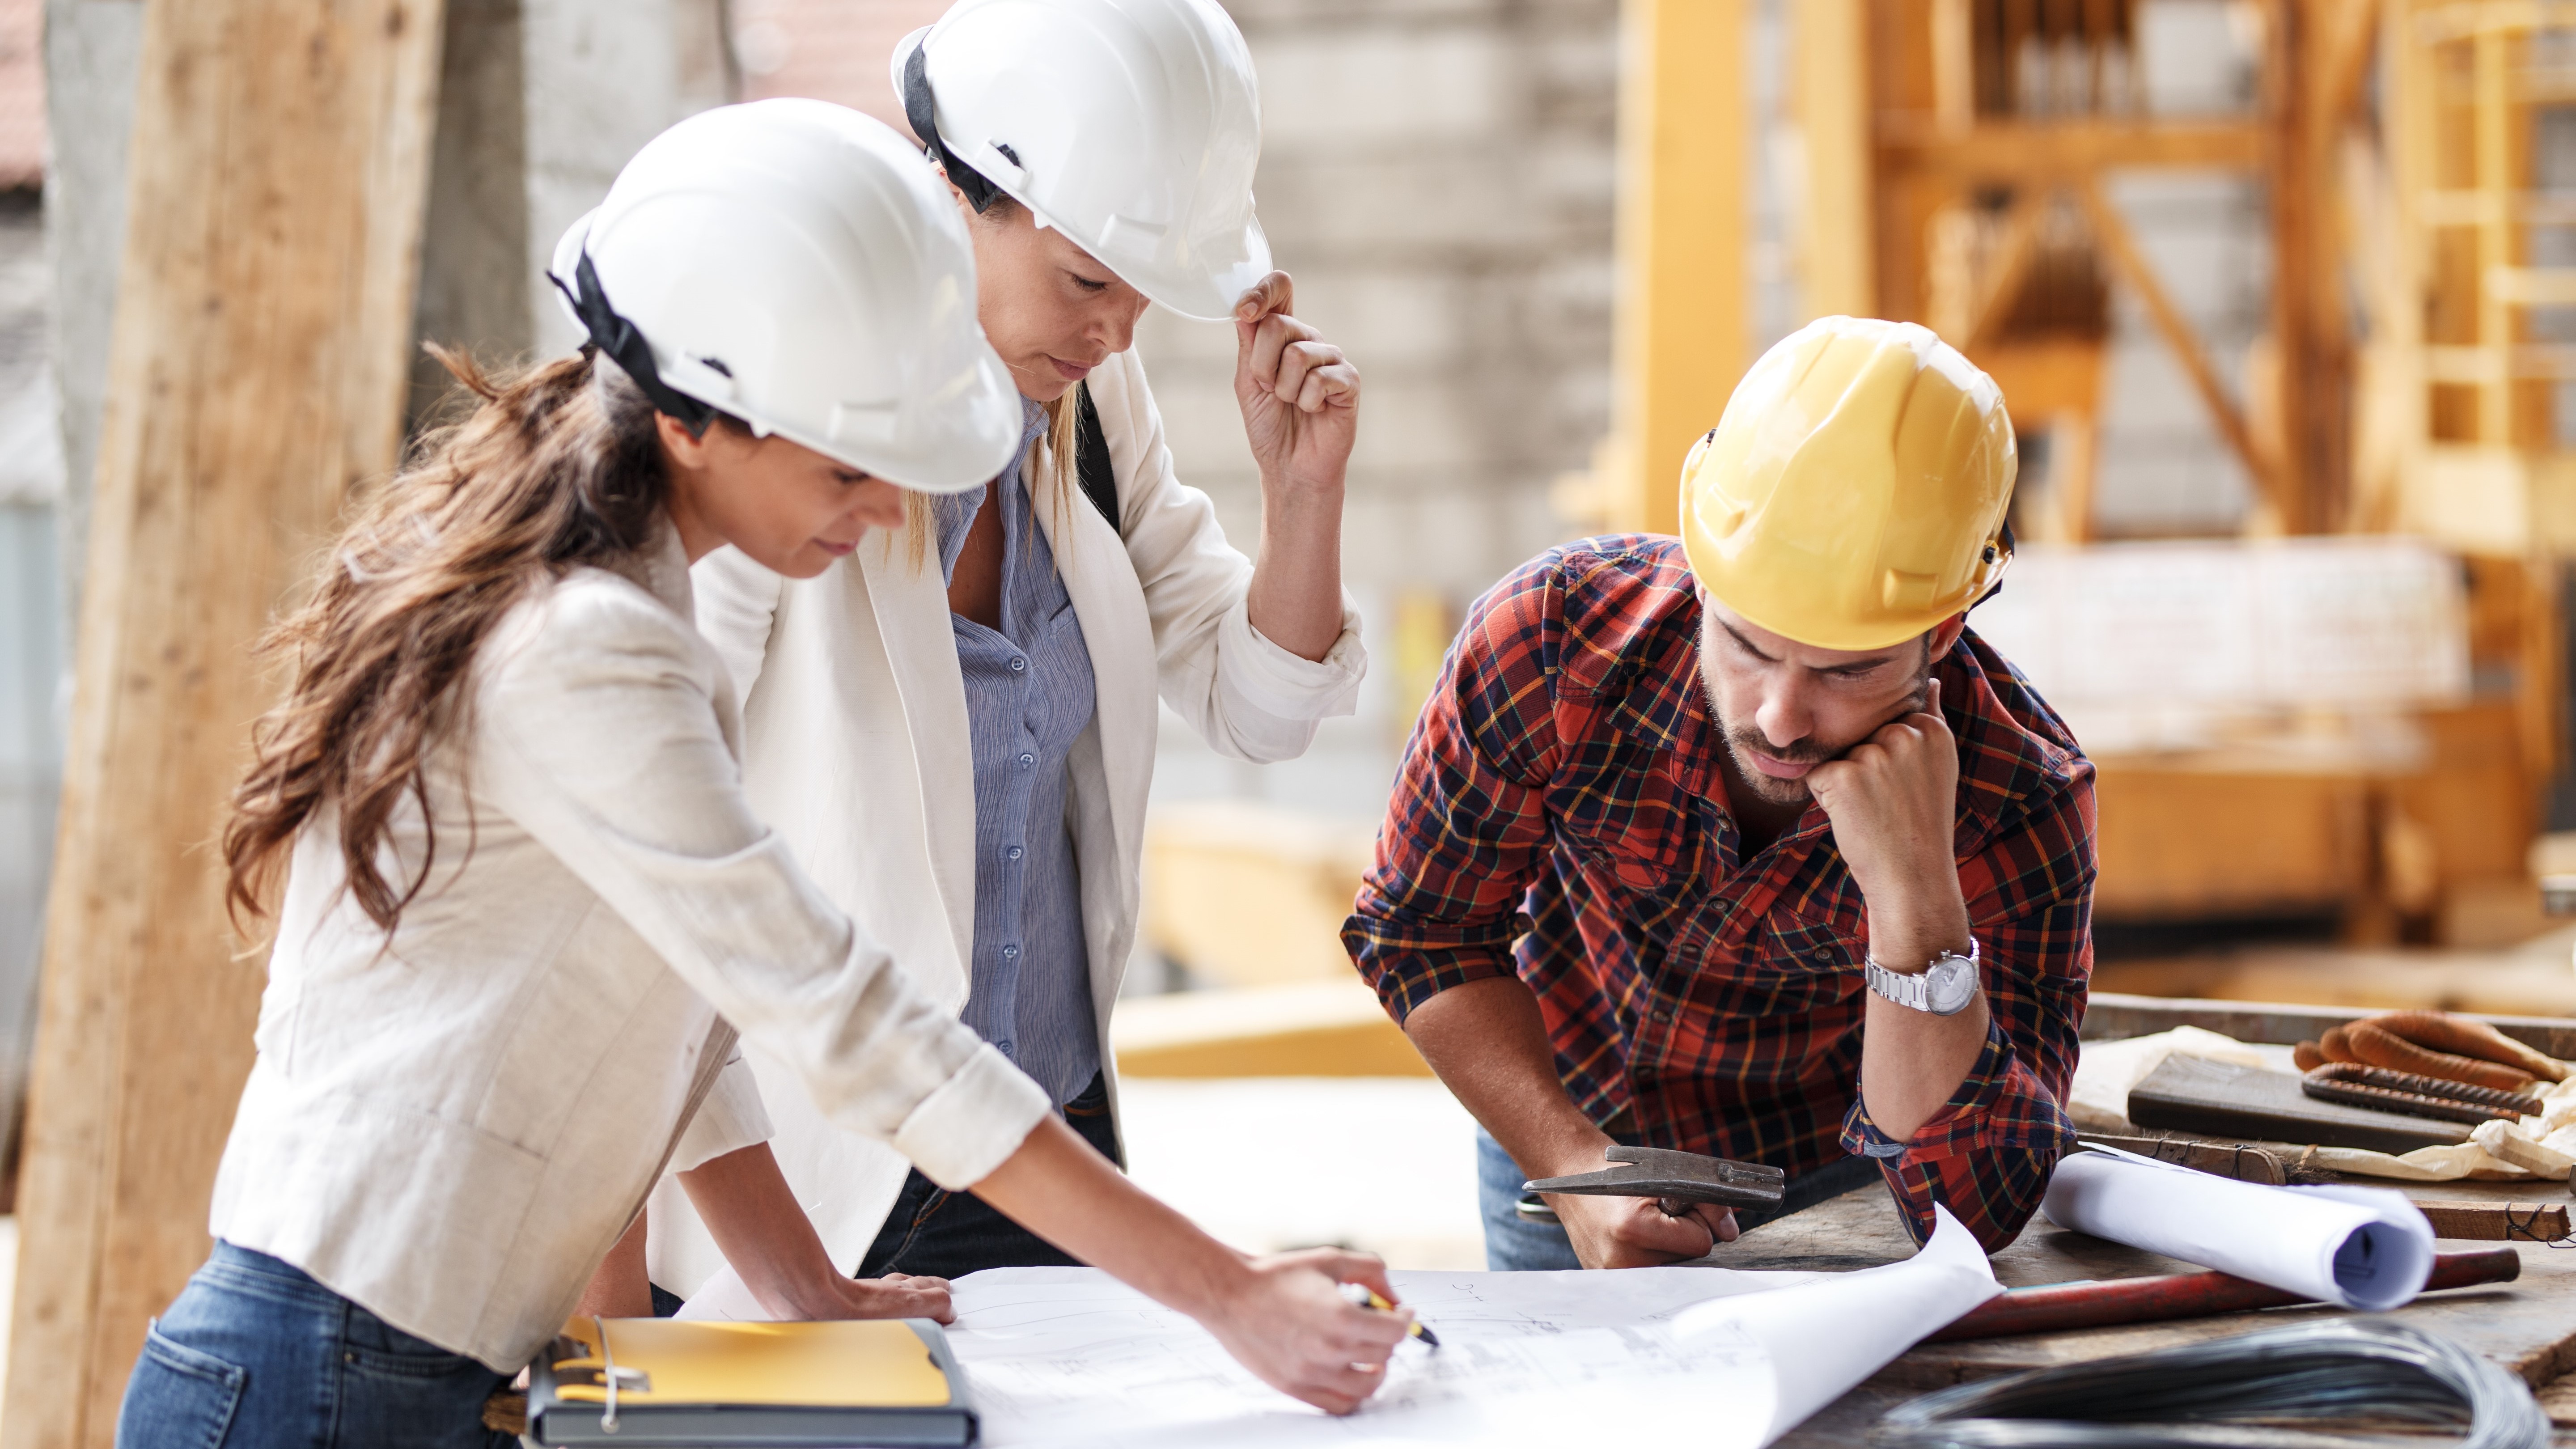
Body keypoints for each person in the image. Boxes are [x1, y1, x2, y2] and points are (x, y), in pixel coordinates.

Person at [114, 101, 1406, 1449]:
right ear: (694, 424)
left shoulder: (634, 605)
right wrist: (1231, 1294)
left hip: (388, 1357)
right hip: (319, 1377)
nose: (879, 514)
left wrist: (803, 1289)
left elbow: (697, 990)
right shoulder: (589, 650)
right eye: (851, 468)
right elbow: (833, 1008)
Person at [636, 0, 1368, 1304]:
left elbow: (1259, 709)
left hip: (1049, 1151)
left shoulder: (1085, 401)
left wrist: (1301, 497)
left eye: (1142, 300)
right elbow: (655, 899)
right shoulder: (778, 436)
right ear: (949, 199)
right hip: (822, 1196)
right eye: (1086, 282)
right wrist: (628, 1317)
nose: (1112, 335)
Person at [1343, 317, 2093, 1271]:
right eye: (1748, 646)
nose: (1781, 717)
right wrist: (1573, 1166)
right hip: (1563, 1128)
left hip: (1842, 1188)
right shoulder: (1553, 640)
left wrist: (1915, 900)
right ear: (1704, 574)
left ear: (1942, 634)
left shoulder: (2022, 792)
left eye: (1847, 670)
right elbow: (1420, 929)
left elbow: (1973, 1208)